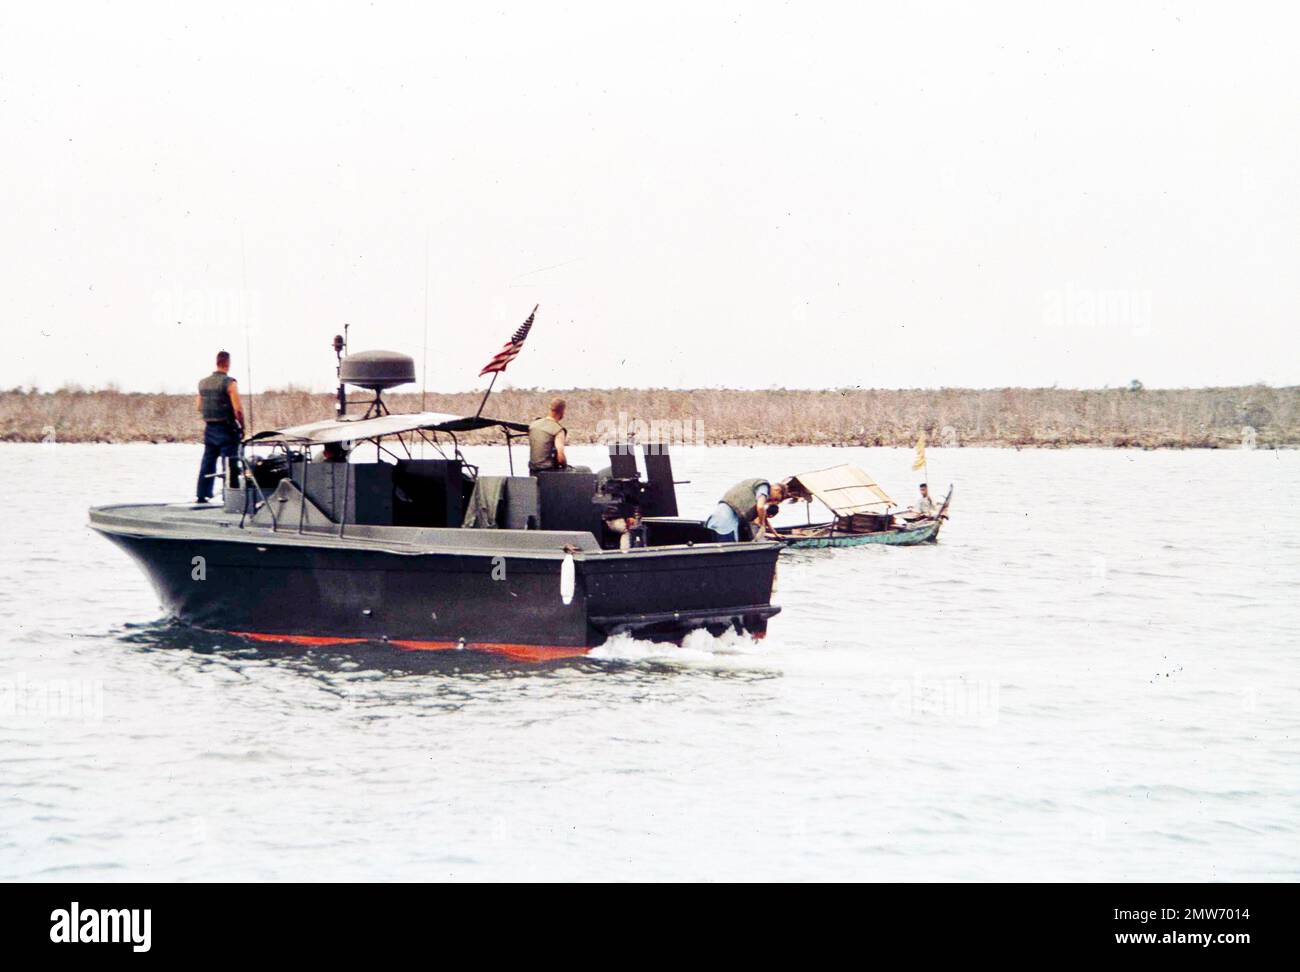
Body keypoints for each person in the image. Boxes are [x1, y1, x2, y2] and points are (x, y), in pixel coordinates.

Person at [195, 350, 244, 503]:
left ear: (216, 362)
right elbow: (237, 409)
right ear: (228, 363)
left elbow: (199, 406)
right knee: (230, 463)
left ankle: (202, 494)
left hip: (209, 428)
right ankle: (231, 498)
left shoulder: (202, 383)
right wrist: (242, 426)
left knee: (208, 462)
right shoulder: (230, 383)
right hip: (227, 428)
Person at [707, 478, 788, 542]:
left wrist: (775, 534)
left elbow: (764, 517)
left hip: (716, 519)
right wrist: (762, 525)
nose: (772, 501)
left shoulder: (755, 495)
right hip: (727, 524)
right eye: (775, 499)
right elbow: (760, 507)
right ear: (777, 489)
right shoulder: (764, 486)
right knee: (730, 553)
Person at [528, 397, 570, 473]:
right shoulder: (558, 430)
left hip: (533, 471)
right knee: (583, 469)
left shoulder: (533, 425)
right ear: (562, 411)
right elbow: (560, 458)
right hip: (549, 473)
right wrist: (565, 466)